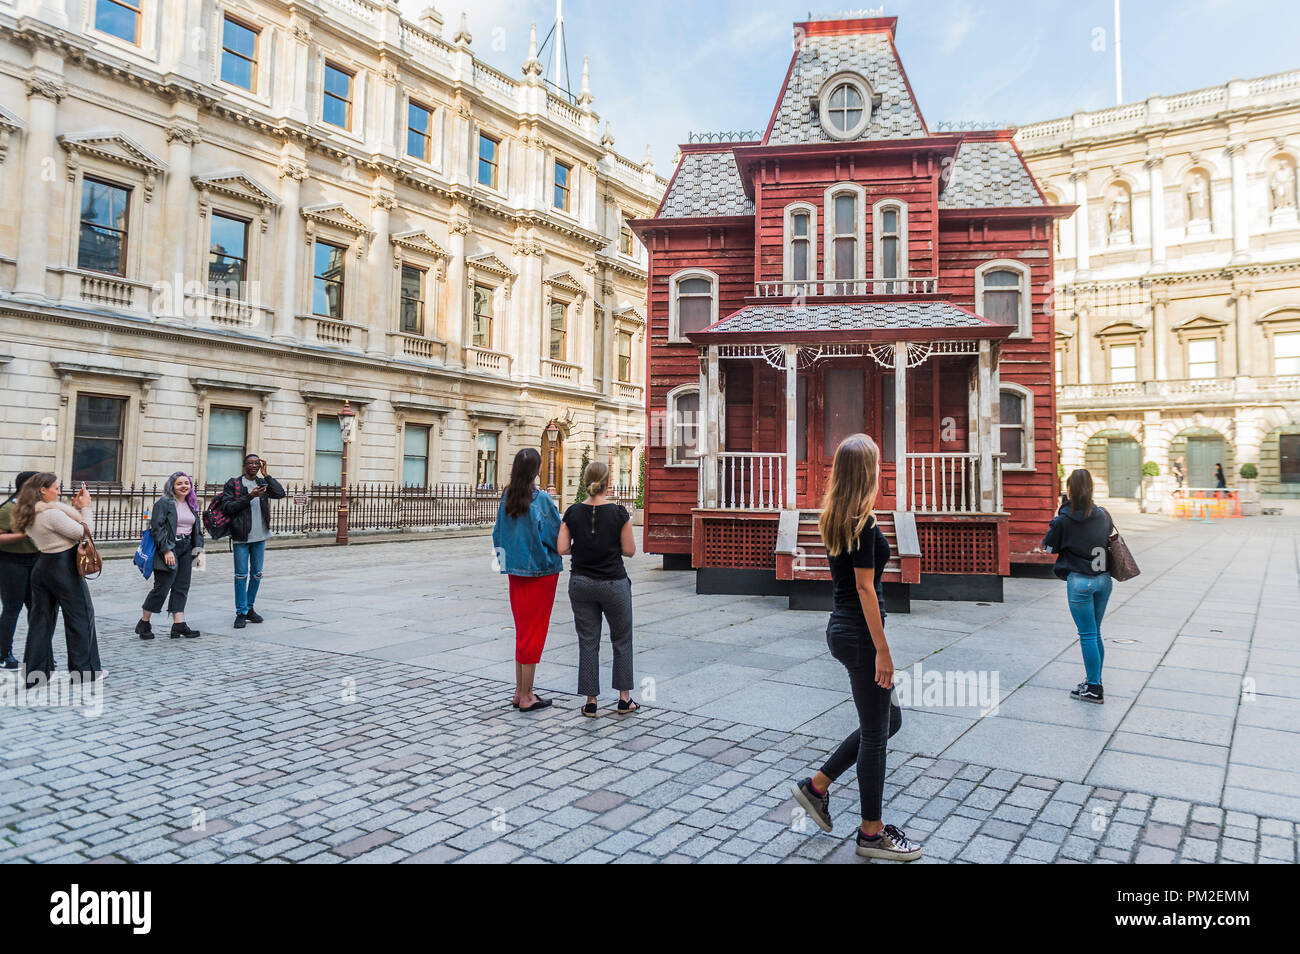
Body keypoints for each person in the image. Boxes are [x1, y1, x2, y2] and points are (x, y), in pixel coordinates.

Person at [791, 434, 920, 862]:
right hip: (861, 636)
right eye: (878, 463)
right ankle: (871, 833)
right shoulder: (862, 524)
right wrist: (883, 651)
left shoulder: (837, 516)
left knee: (888, 722)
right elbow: (866, 589)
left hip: (843, 629)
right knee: (877, 736)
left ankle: (817, 786)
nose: (883, 469)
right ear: (867, 471)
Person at [557, 460, 638, 717]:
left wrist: (580, 549)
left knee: (588, 641)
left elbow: (561, 549)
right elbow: (630, 550)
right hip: (613, 582)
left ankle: (591, 701)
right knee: (621, 639)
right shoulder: (619, 513)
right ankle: (624, 699)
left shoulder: (572, 512)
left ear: (585, 483)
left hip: (581, 582)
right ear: (607, 482)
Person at [10, 474, 101, 690]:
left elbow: (66, 528)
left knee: (40, 621)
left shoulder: (31, 512)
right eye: (55, 488)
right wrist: (86, 507)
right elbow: (84, 532)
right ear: (42, 490)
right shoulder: (50, 514)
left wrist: (75, 508)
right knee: (81, 615)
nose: (59, 491)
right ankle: (84, 671)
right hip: (63, 566)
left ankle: (35, 674)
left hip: (42, 565)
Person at [491, 448, 562, 712]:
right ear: (536, 470)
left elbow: (497, 535)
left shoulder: (507, 497)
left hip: (516, 572)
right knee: (534, 632)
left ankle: (519, 690)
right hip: (541, 573)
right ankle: (527, 695)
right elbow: (555, 535)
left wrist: (507, 562)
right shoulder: (541, 499)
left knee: (523, 631)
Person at [1042, 468, 1114, 704]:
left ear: (1070, 490)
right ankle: (1094, 681)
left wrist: (1057, 516)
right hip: (1103, 580)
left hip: (1080, 581)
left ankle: (1093, 688)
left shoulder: (1064, 520)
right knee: (1096, 633)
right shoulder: (1103, 514)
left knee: (1087, 635)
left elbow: (1049, 547)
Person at [219, 454, 285, 629]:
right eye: (250, 463)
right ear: (244, 465)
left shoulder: (262, 483)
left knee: (257, 574)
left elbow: (280, 493)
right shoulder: (234, 484)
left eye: (257, 463)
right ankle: (240, 612)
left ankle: (250, 608)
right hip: (241, 537)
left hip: (260, 536)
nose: (254, 466)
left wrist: (267, 475)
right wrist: (250, 496)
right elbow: (227, 507)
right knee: (241, 575)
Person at [136, 472, 204, 640]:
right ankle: (144, 623)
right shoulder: (164, 503)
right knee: (162, 587)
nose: (184, 486)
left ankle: (178, 625)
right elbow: (157, 528)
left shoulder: (192, 504)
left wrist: (199, 552)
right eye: (179, 483)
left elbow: (197, 531)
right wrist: (166, 550)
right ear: (172, 486)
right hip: (169, 548)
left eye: (186, 483)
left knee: (182, 586)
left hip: (187, 548)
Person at [0, 471, 39, 670]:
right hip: (11, 563)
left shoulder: (39, 508)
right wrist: (24, 535)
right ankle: (3, 653)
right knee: (12, 608)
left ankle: (38, 655)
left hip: (36, 562)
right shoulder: (8, 509)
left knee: (37, 609)